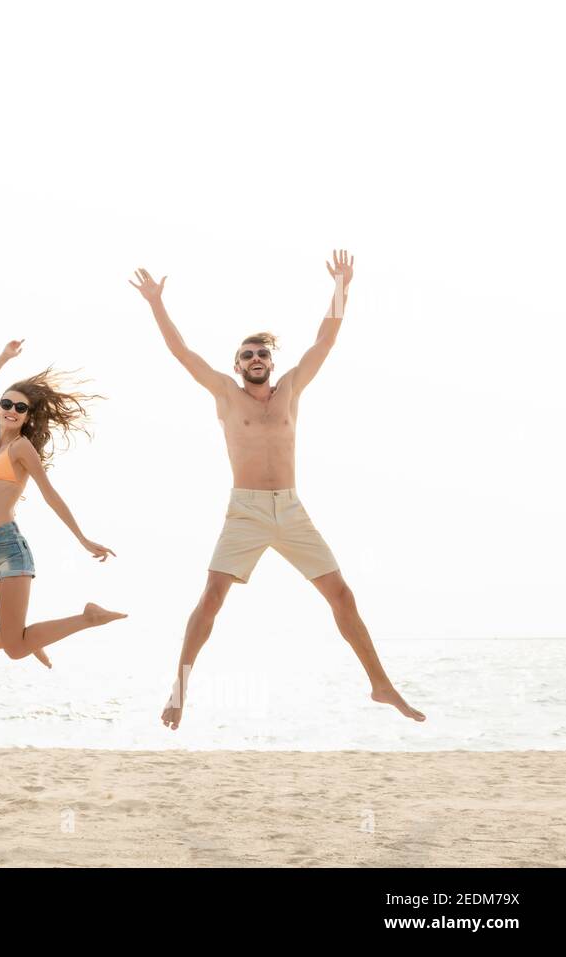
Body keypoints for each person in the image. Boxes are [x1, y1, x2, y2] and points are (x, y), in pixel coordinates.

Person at [129, 250, 425, 729]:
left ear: (271, 361)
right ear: (238, 364)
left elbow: (324, 341)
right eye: (247, 355)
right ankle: (179, 691)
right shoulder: (226, 393)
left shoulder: (290, 389)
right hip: (244, 511)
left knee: (343, 596)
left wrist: (341, 287)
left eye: (262, 353)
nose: (255, 359)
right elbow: (182, 351)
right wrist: (156, 303)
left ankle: (380, 683)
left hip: (290, 509)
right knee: (211, 599)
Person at [0, 339, 126, 664]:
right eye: (7, 404)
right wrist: (3, 356)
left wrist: (82, 538)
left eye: (20, 407)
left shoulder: (21, 448)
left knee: (15, 650)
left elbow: (49, 493)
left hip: (8, 547)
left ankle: (87, 618)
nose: (11, 410)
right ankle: (30, 638)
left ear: (28, 416)